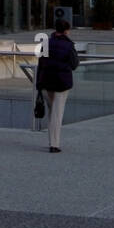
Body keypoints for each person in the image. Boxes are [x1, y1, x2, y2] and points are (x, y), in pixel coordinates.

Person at [36, 20, 78, 152]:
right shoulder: (68, 45)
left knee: (52, 112)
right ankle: (54, 144)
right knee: (57, 113)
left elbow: (41, 63)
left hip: (46, 82)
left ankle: (52, 142)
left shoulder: (46, 43)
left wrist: (39, 83)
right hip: (61, 82)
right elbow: (74, 64)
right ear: (66, 31)